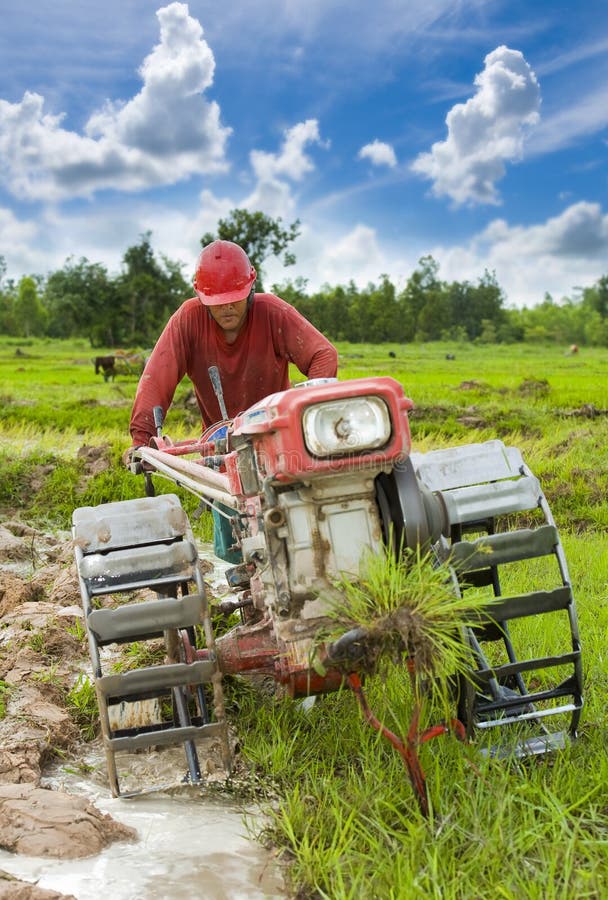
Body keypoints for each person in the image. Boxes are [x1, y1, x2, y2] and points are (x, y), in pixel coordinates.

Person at [127, 239, 338, 560]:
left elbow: (323, 354)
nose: (227, 307)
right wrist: (142, 440)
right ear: (202, 297)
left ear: (250, 289)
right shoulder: (188, 320)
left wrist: (307, 413)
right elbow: (158, 376)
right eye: (217, 301)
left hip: (276, 437)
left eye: (234, 299)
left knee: (296, 527)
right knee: (232, 548)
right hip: (222, 447)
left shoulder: (273, 313)